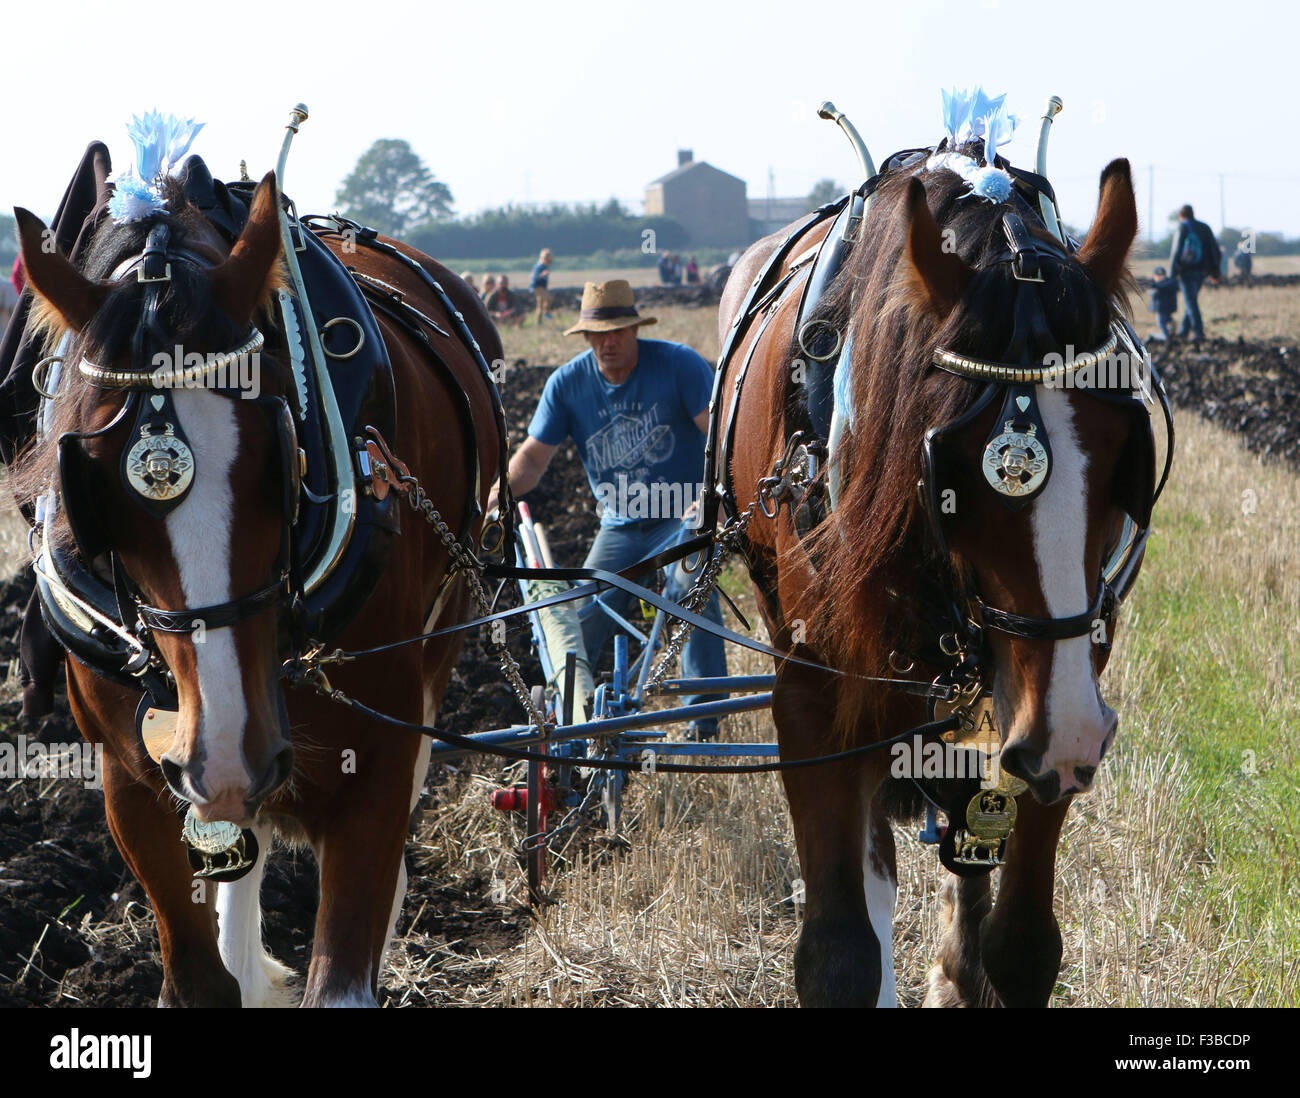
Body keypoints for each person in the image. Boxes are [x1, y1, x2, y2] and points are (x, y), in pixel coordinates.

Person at [487, 280, 727, 740]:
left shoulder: (678, 365)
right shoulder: (568, 384)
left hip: (682, 514)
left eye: (618, 331)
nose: (609, 342)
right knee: (583, 616)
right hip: (619, 525)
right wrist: (495, 496)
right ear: (585, 336)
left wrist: (713, 497)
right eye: (598, 334)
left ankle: (704, 719)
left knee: (688, 585)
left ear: (636, 328)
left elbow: (719, 440)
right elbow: (535, 459)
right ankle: (579, 716)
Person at [1169, 204, 1222, 344]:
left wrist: (1172, 272)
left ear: (1181, 216)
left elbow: (1176, 251)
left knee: (1190, 302)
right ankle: (1183, 332)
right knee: (1190, 300)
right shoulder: (1205, 228)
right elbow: (1214, 250)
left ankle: (1199, 333)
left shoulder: (1183, 227)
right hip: (1201, 272)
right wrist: (1214, 272)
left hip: (1185, 272)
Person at [1149, 266, 1179, 342]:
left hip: (1162, 308)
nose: (1159, 277)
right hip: (1167, 308)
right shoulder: (1170, 283)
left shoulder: (1160, 285)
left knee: (1161, 322)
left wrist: (1153, 290)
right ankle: (1170, 332)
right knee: (1166, 320)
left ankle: (1166, 336)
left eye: (1160, 276)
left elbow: (1156, 293)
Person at [530, 248, 554, 325]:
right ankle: (546, 313)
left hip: (542, 287)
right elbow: (535, 277)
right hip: (538, 287)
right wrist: (542, 274)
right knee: (548, 298)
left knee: (540, 305)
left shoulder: (545, 266)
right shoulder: (539, 267)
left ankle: (539, 321)